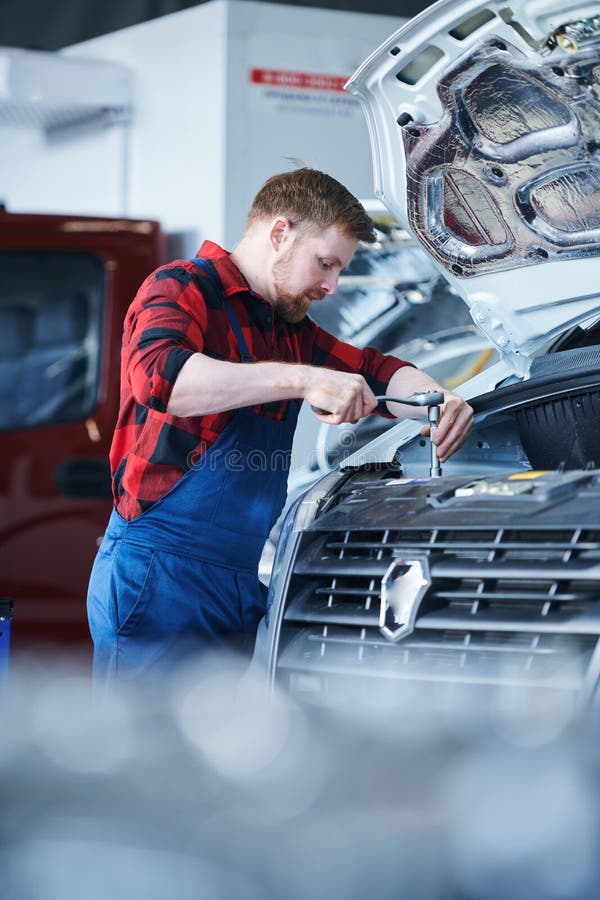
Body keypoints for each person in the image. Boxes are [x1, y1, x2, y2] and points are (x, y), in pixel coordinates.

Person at [87, 167, 473, 683]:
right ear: (279, 233)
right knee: (143, 735)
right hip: (159, 576)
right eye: (326, 263)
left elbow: (376, 372)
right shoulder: (181, 287)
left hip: (238, 579)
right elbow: (164, 379)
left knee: (212, 734)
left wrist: (439, 400)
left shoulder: (290, 332)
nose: (331, 286)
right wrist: (303, 379)